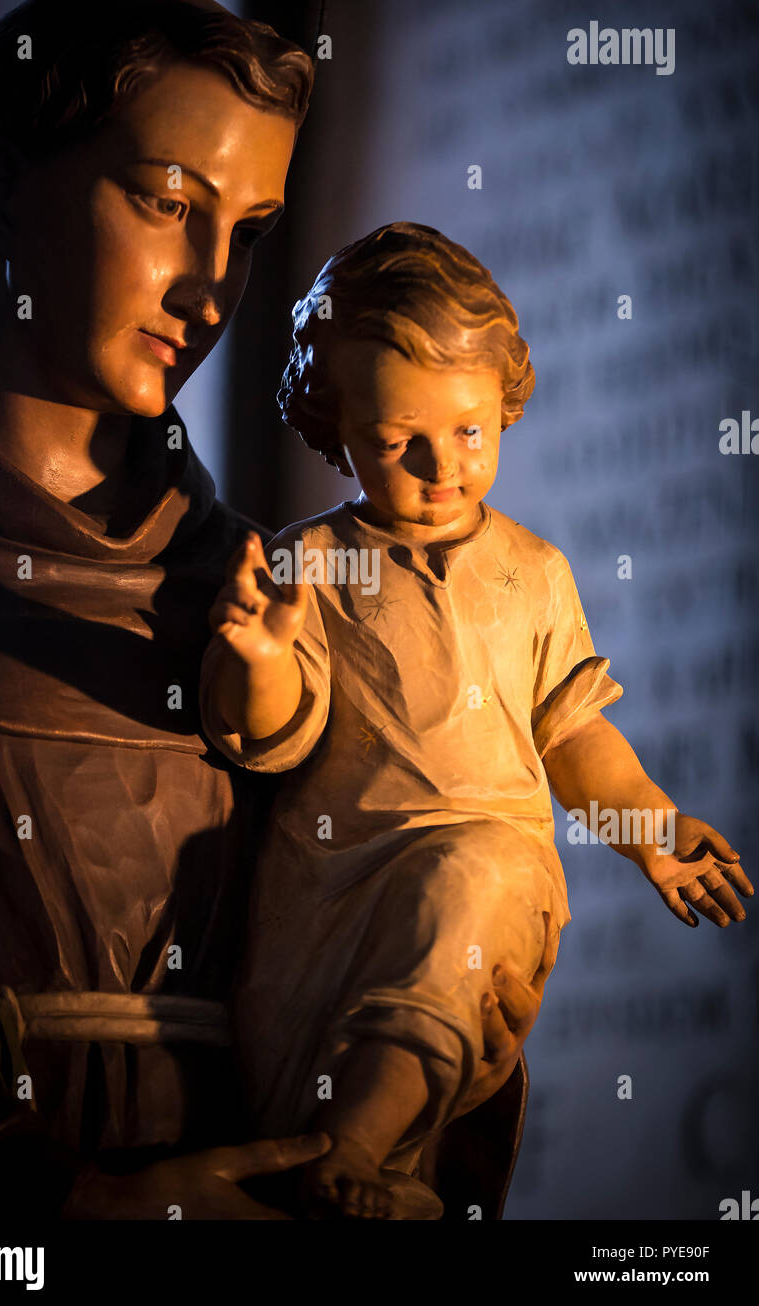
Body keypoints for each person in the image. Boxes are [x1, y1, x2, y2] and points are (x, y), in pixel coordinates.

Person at [0, 0, 531, 1220]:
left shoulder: (276, 595)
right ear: (5, 181)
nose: (210, 285)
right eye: (167, 202)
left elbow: (389, 902)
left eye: (248, 230)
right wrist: (60, 1205)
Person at [199, 222, 753, 1219]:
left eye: (467, 431)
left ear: (503, 403)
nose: (438, 465)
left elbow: (573, 735)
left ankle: (358, 1150)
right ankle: (375, 1172)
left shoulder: (535, 573)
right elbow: (271, 737)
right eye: (392, 437)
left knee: (473, 875)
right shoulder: (310, 566)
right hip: (334, 885)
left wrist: (651, 832)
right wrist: (259, 657)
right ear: (333, 423)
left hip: (493, 865)